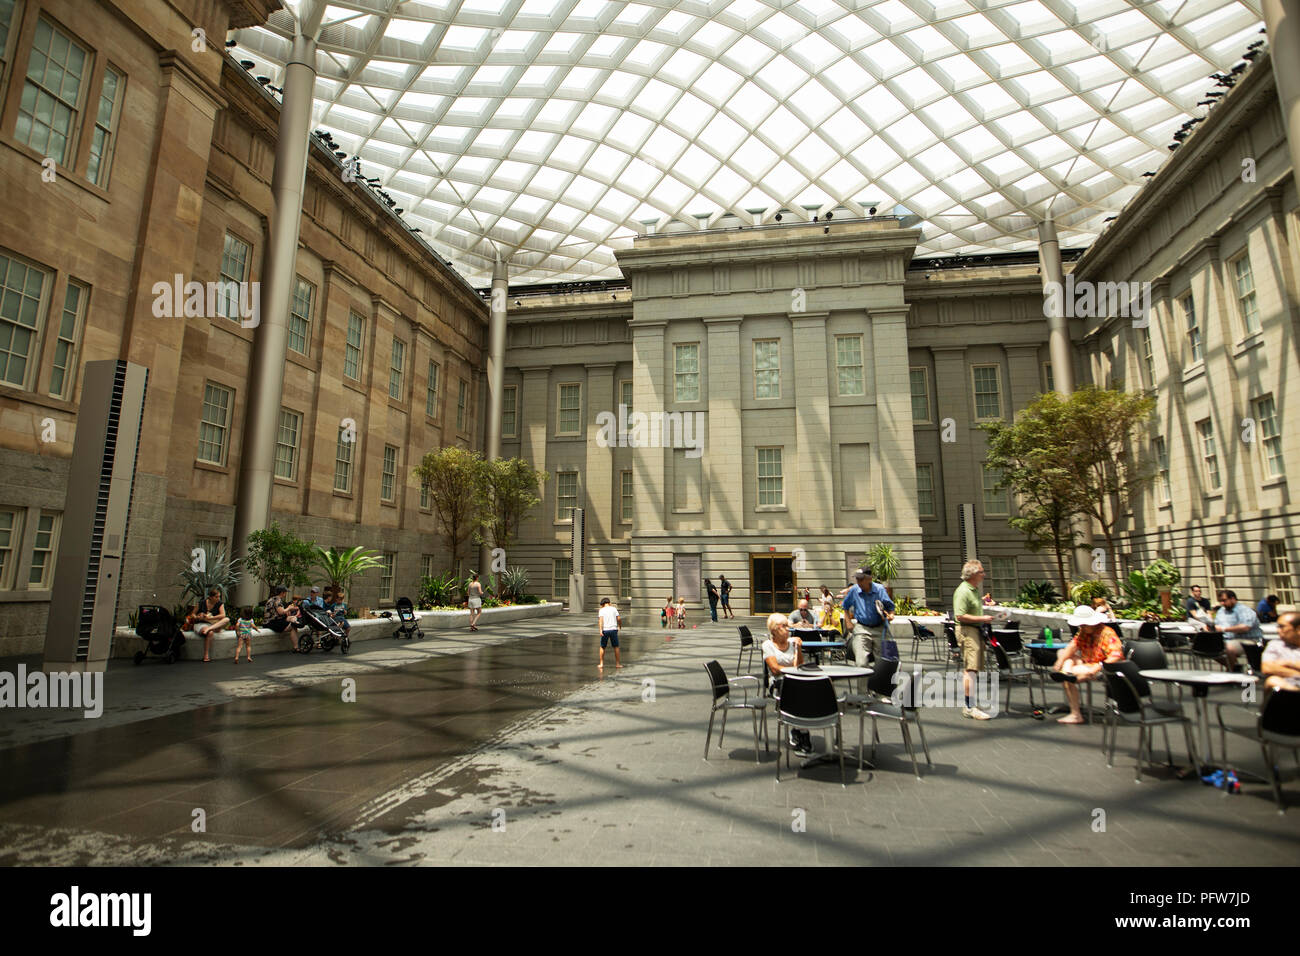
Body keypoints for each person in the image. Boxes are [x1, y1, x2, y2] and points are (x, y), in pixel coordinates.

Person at [1053, 605, 1124, 724]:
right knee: (1064, 655)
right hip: (1087, 662)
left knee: (1070, 675)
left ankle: (1075, 712)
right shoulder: (1083, 632)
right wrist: (1059, 662)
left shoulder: (1107, 633)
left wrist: (1098, 666)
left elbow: (1116, 655)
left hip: (1103, 667)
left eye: (1084, 624)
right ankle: (1067, 673)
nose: (1082, 627)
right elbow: (1072, 646)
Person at [953, 560, 1000, 720]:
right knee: (970, 669)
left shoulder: (972, 590)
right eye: (981, 572)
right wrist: (983, 617)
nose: (984, 574)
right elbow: (960, 615)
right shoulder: (963, 591)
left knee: (973, 668)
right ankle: (969, 706)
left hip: (975, 630)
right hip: (967, 631)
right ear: (972, 574)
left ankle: (970, 703)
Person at [761, 613, 810, 754]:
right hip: (778, 684)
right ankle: (802, 734)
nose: (788, 629)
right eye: (785, 626)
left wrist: (798, 648)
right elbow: (775, 669)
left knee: (804, 693)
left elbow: (800, 665)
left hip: (795, 682)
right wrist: (792, 670)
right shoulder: (768, 645)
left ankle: (799, 731)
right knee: (798, 694)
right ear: (775, 630)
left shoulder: (792, 644)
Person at [842, 567, 893, 665]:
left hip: (880, 628)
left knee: (886, 662)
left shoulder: (880, 589)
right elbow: (845, 606)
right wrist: (848, 622)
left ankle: (881, 679)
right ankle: (863, 678)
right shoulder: (854, 590)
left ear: (870, 578)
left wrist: (891, 615)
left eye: (861, 579)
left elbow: (890, 607)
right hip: (862, 628)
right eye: (857, 579)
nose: (859, 582)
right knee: (861, 663)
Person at [1214, 590, 1260, 670]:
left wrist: (1225, 629)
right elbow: (1217, 625)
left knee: (1229, 648)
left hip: (1247, 639)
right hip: (1226, 639)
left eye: (1224, 600)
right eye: (1220, 601)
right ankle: (1235, 668)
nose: (1222, 603)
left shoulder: (1244, 610)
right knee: (1209, 647)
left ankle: (1232, 671)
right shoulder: (1221, 611)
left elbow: (1246, 627)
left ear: (1232, 599)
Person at [1261, 611, 1300, 691]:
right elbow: (1267, 668)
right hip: (1287, 688)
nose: (1278, 630)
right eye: (1277, 627)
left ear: (1298, 629)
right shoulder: (1275, 645)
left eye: (1282, 627)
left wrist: (1288, 663)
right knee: (1273, 681)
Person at [192, 588, 229, 664]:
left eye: (219, 596)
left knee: (226, 619)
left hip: (213, 624)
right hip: (201, 623)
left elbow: (223, 615)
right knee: (210, 633)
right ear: (211, 597)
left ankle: (209, 628)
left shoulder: (220, 603)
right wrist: (197, 617)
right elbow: (192, 614)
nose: (218, 598)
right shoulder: (201, 603)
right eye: (216, 597)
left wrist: (210, 618)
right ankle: (206, 655)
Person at [264, 585, 301, 650]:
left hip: (272, 620)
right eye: (285, 592)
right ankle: (296, 647)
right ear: (282, 593)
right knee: (294, 626)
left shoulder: (273, 598)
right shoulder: (277, 600)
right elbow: (281, 612)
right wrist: (289, 608)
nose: (286, 594)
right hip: (273, 622)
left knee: (292, 619)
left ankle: (296, 646)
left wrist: (289, 610)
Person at [597, 597, 622, 670]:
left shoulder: (601, 610)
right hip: (613, 630)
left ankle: (601, 663)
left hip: (605, 630)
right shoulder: (614, 609)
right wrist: (619, 626)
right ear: (609, 603)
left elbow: (601, 621)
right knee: (616, 646)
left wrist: (600, 630)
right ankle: (617, 664)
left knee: (602, 646)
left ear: (602, 604)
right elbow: (619, 619)